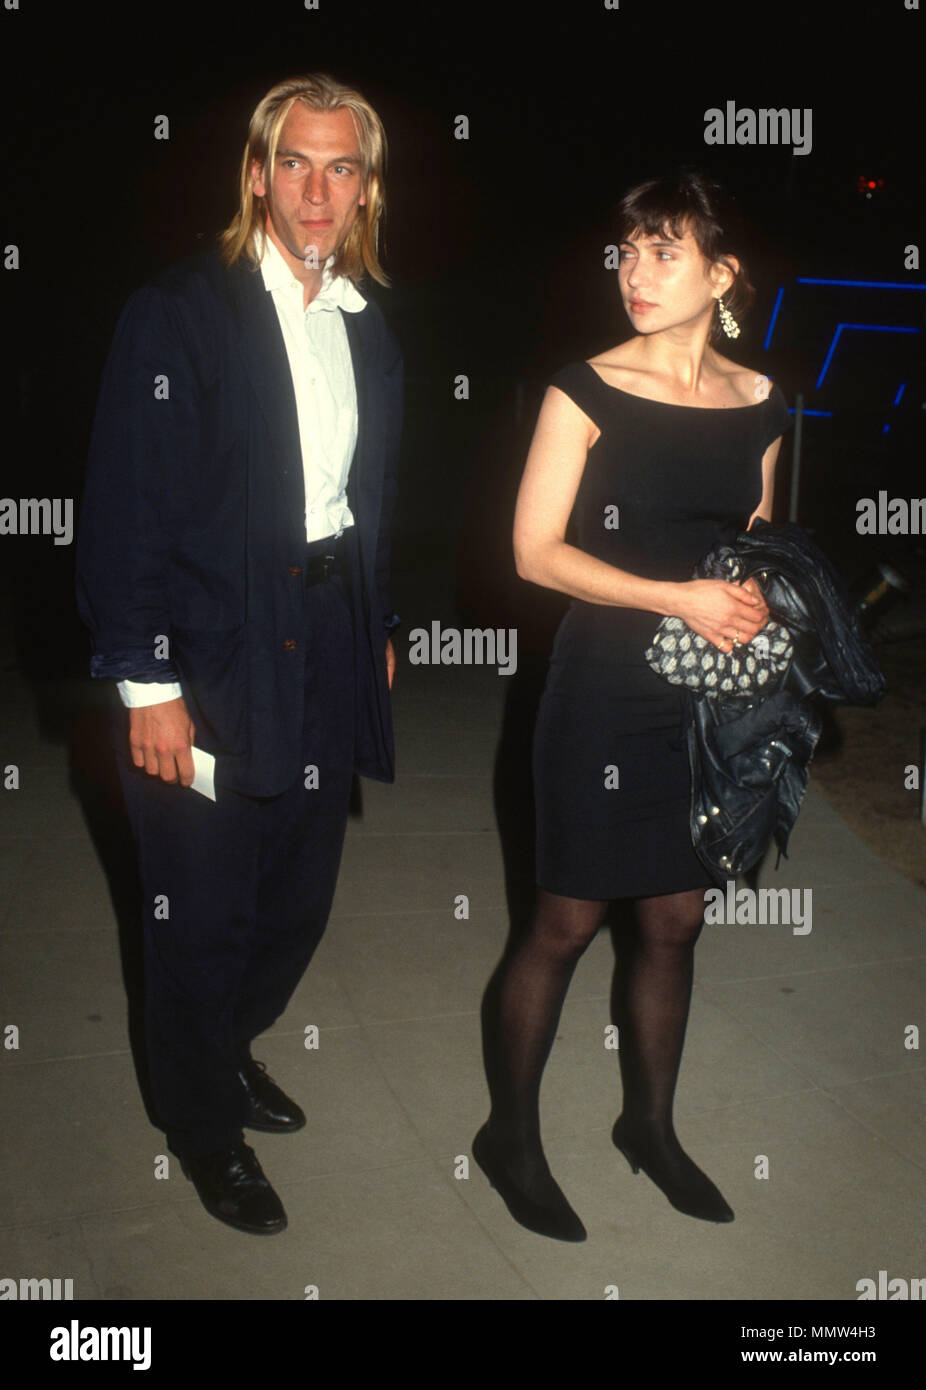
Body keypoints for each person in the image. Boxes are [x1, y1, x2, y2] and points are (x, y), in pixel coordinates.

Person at [76, 73, 403, 1235]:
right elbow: (124, 511)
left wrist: (377, 630)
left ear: (365, 186)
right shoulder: (181, 313)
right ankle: (200, 1124)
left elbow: (363, 495)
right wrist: (147, 682)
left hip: (323, 636)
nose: (318, 191)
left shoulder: (359, 315)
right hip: (207, 645)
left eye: (343, 167)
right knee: (200, 913)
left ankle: (228, 1044)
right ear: (258, 173)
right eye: (297, 164)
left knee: (295, 898)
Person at [474, 170, 792, 1240]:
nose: (637, 273)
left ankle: (646, 1128)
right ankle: (507, 1137)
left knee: (676, 918)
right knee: (563, 922)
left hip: (699, 702)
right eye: (628, 251)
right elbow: (532, 551)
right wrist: (675, 595)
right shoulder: (585, 387)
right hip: (602, 690)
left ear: (723, 272)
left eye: (664, 251)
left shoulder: (758, 400)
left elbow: (755, 545)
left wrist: (757, 604)